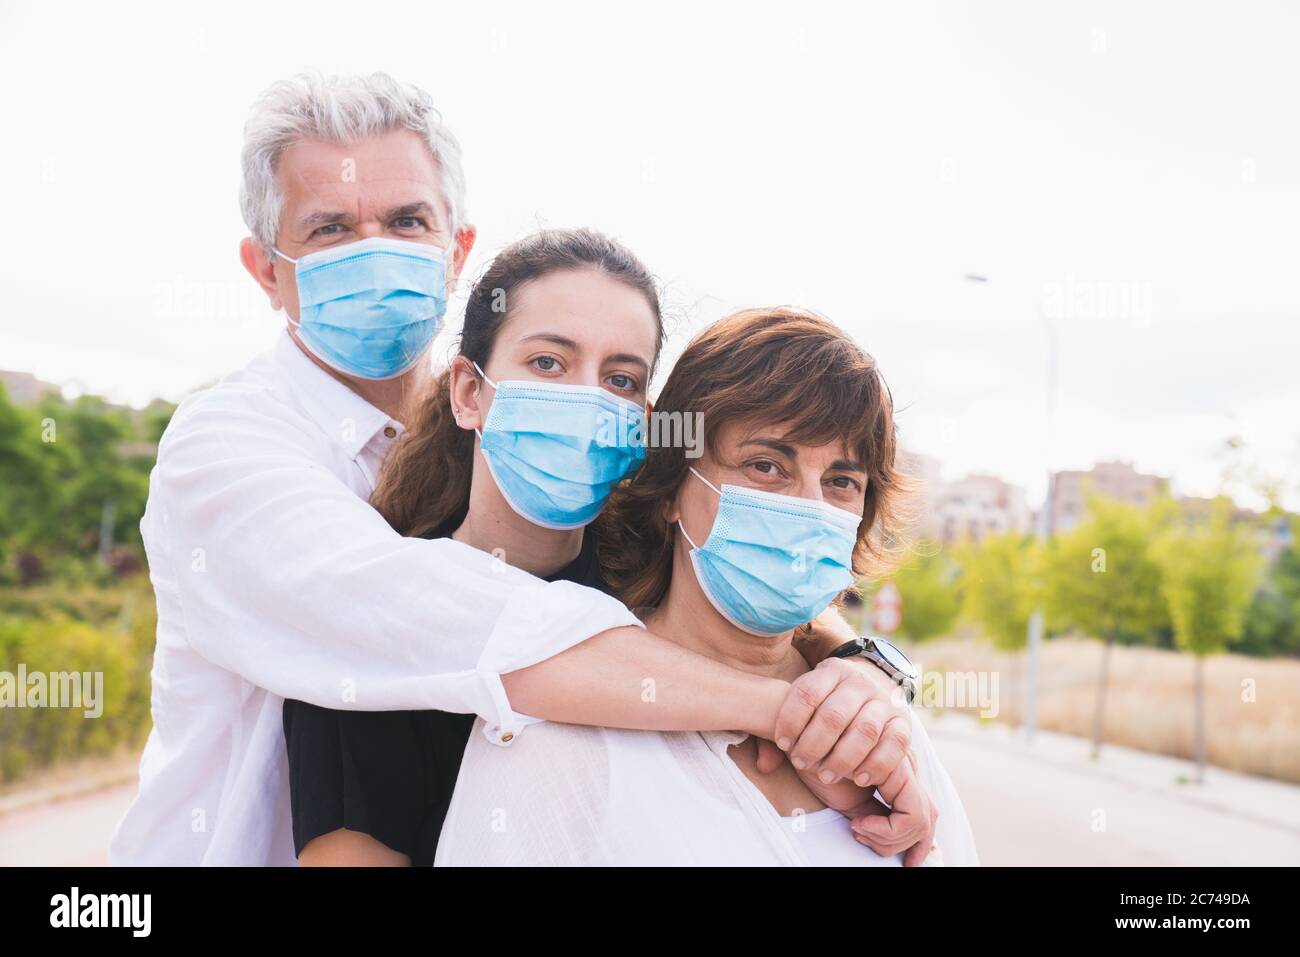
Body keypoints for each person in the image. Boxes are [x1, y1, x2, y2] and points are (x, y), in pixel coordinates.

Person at [109, 73, 934, 866]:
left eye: (406, 219)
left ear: (454, 248)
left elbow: (723, 600)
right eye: (330, 227)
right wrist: (800, 715)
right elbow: (424, 615)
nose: (375, 252)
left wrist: (862, 673)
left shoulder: (550, 491)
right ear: (264, 268)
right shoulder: (227, 446)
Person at [284, 230, 939, 866]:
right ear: (468, 392)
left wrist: (870, 674)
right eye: (548, 362)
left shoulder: (646, 568)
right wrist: (791, 713)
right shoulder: (373, 637)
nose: (586, 399)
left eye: (622, 380)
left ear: (648, 426)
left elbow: (795, 626)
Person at [432, 307, 979, 865]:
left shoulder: (878, 727)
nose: (810, 507)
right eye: (766, 466)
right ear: (671, 489)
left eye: (841, 481)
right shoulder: (553, 739)